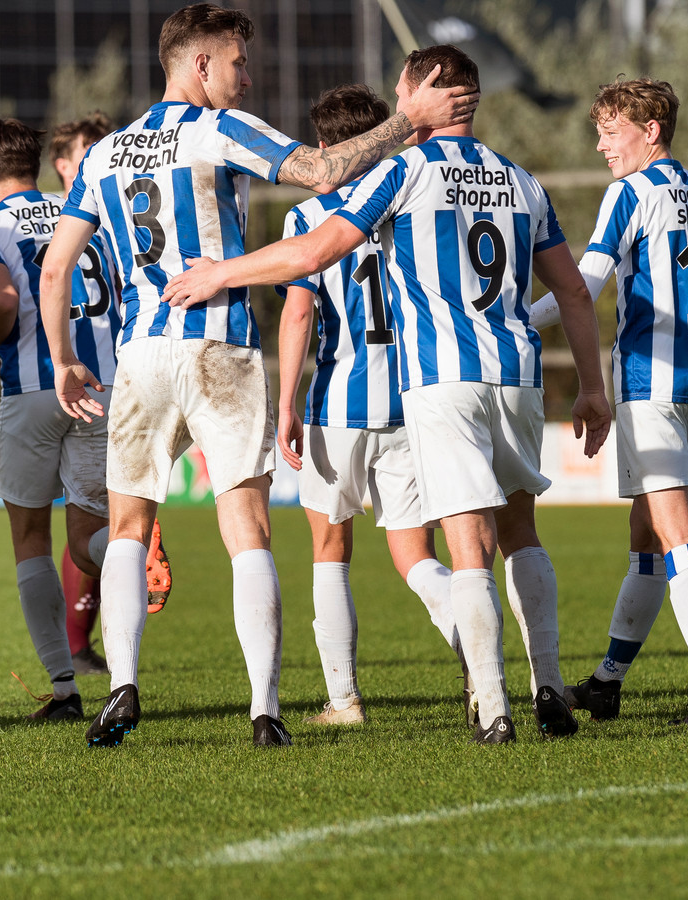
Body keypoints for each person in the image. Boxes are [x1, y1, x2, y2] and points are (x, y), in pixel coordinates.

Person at [39, 3, 479, 749]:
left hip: (141, 353)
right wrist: (408, 118)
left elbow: (55, 266)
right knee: (245, 526)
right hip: (218, 346)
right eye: (239, 62)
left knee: (126, 526)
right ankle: (263, 708)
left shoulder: (106, 153)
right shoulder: (218, 128)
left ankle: (120, 688)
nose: (249, 77)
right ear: (200, 64)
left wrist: (61, 357)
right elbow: (322, 169)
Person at [163, 44, 612, 745]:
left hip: (438, 380)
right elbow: (573, 290)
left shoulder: (402, 170)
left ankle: (492, 708)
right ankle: (547, 684)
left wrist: (222, 272)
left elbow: (311, 255)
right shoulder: (522, 180)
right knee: (521, 533)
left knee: (465, 546)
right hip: (519, 373)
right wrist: (592, 388)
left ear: (421, 92)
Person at [528, 78, 688, 725]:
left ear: (650, 130)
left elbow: (584, 286)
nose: (603, 146)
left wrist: (518, 322)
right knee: (647, 536)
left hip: (649, 386)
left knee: (675, 534)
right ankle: (607, 682)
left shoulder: (630, 194)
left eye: (611, 131)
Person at [274, 84, 469, 727]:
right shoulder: (409, 201)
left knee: (330, 550)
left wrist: (286, 403)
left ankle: (342, 701)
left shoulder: (308, 220)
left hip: (339, 400)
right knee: (416, 556)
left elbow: (299, 311)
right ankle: (478, 657)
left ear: (327, 148)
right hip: (412, 401)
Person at [0, 117, 123, 720]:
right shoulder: (85, 209)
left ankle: (62, 692)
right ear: (35, 162)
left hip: (34, 386)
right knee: (87, 543)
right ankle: (135, 554)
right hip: (101, 385)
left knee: (31, 538)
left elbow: (1, 298)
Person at [48, 113, 173, 679]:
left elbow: (32, 290)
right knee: (102, 528)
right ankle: (84, 646)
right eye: (86, 153)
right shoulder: (124, 221)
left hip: (70, 383)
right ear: (62, 163)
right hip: (126, 379)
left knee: (68, 536)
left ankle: (73, 658)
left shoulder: (56, 222)